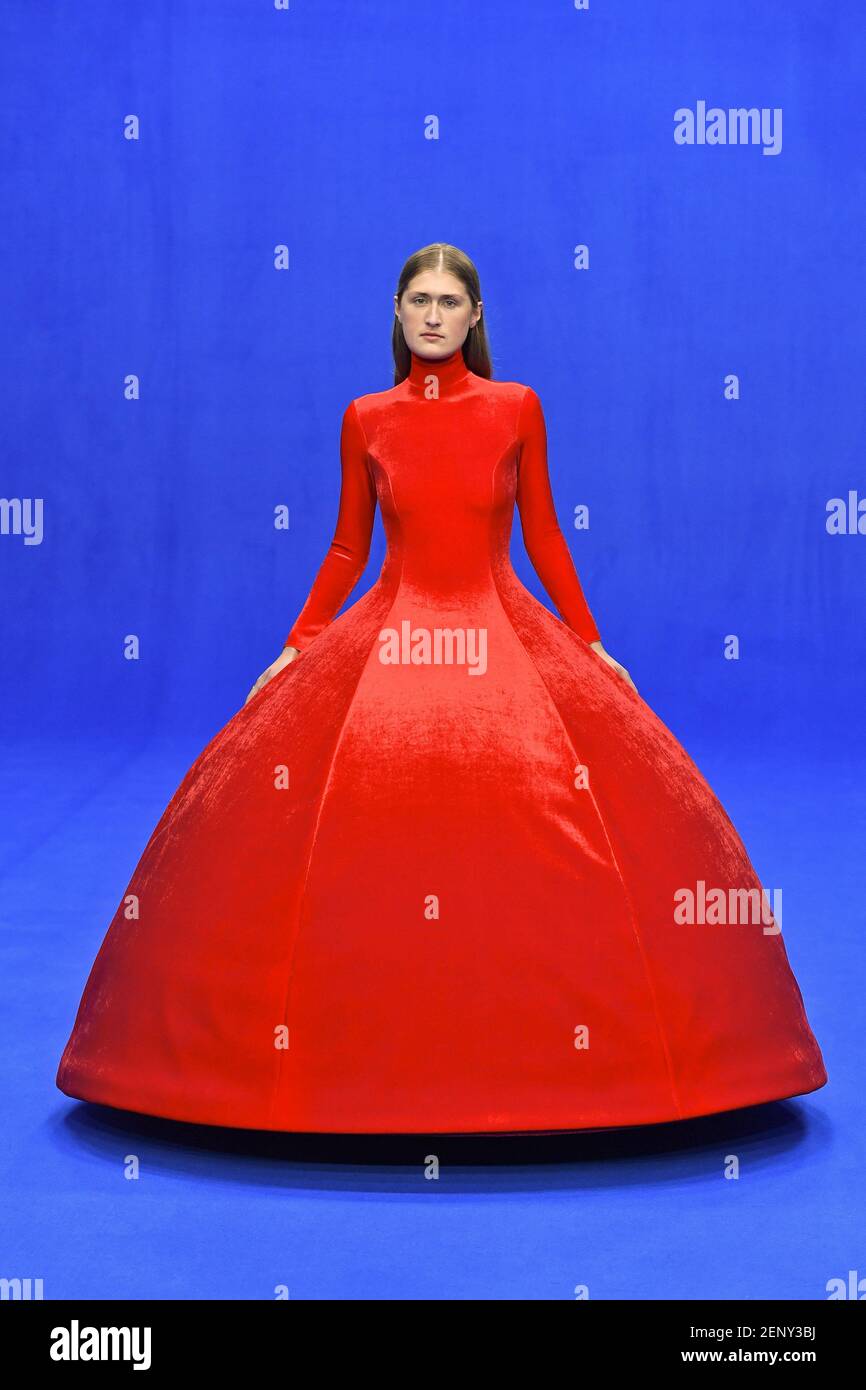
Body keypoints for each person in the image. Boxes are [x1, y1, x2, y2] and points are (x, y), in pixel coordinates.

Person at [56, 243, 827, 1134]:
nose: (432, 315)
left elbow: (542, 533)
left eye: (449, 301)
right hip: (387, 632)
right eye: (417, 300)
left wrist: (590, 642)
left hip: (505, 630)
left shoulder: (515, 409)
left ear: (474, 318)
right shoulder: (366, 417)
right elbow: (349, 547)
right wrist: (297, 645)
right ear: (396, 311)